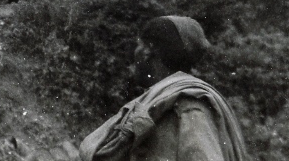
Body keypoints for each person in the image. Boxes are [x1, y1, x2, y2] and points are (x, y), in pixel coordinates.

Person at [79, 16, 248, 161]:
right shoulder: (160, 101)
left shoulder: (189, 106)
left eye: (139, 44)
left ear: (148, 51)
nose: (135, 52)